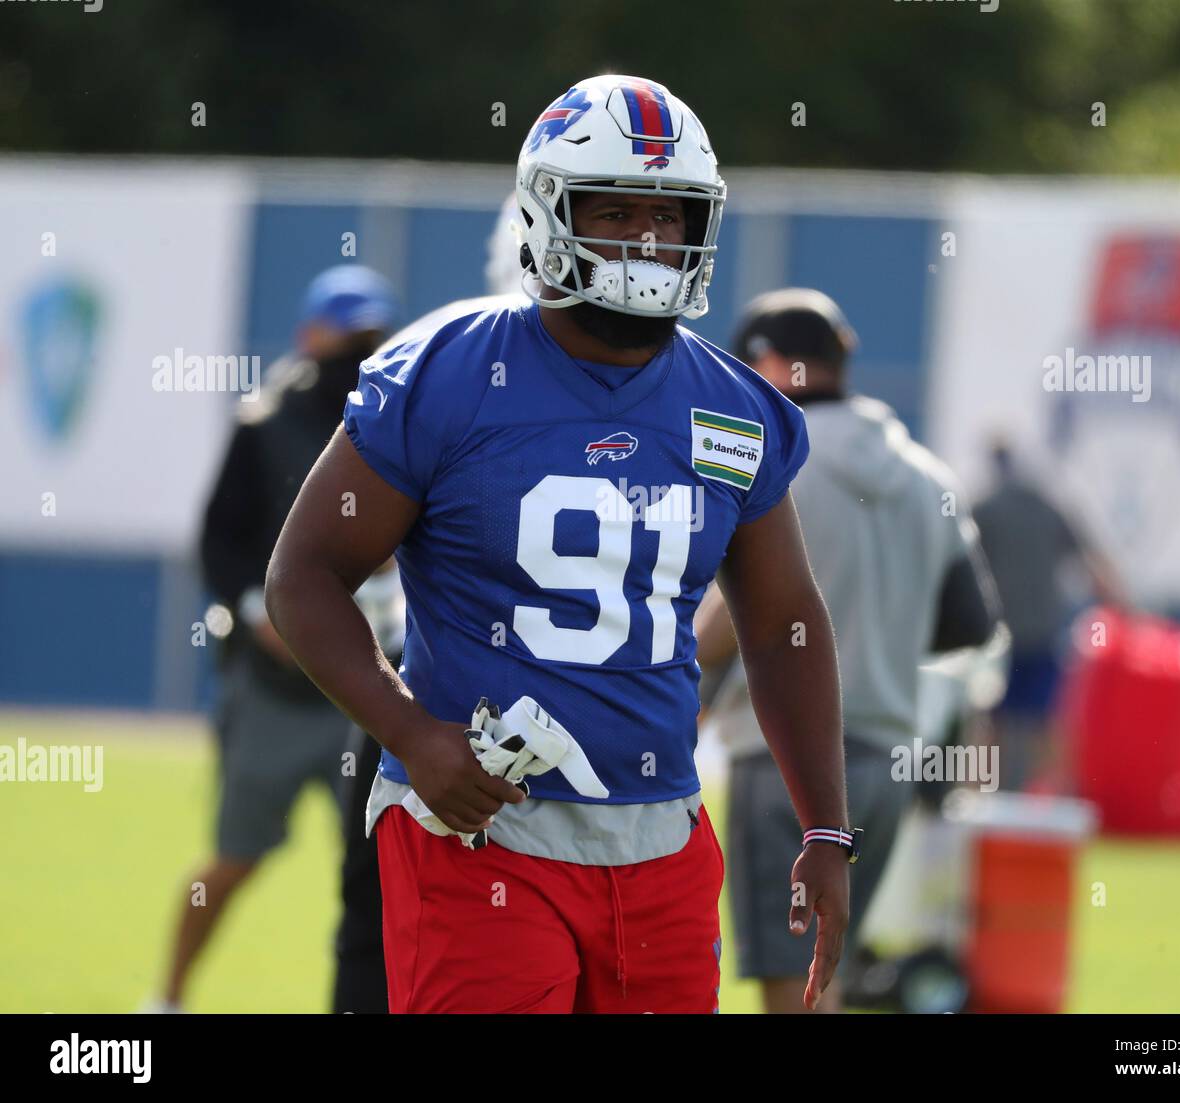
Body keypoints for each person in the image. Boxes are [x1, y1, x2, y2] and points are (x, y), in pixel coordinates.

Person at [264, 75, 852, 1014]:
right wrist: (411, 730)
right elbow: (302, 574)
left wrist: (827, 827)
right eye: (614, 211)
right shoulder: (448, 373)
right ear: (547, 211)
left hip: (659, 833)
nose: (647, 242)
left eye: (669, 216)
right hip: (480, 827)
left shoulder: (735, 407)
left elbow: (784, 617)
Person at [695, 288, 1001, 1013]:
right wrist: (877, 635)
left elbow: (731, 624)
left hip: (785, 752)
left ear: (768, 364)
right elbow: (970, 622)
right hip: (889, 752)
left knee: (790, 986)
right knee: (826, 977)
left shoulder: (767, 457)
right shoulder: (930, 477)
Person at [146, 265, 398, 1014]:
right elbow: (219, 542)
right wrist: (261, 610)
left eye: (369, 337)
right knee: (234, 856)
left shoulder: (391, 419)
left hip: (369, 689)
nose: (356, 350)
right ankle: (166, 998)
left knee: (386, 867)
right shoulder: (263, 422)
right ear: (308, 337)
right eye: (345, 336)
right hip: (279, 689)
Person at [331, 202, 526, 1014]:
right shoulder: (444, 376)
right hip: (426, 698)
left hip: (463, 712)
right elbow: (320, 558)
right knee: (382, 917)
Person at [971, 439, 1125, 790]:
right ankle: (1056, 801)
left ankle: (975, 800)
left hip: (1000, 636)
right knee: (1048, 725)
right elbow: (1094, 564)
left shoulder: (984, 507)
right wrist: (1123, 607)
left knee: (989, 724)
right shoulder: (1047, 506)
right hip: (1043, 631)